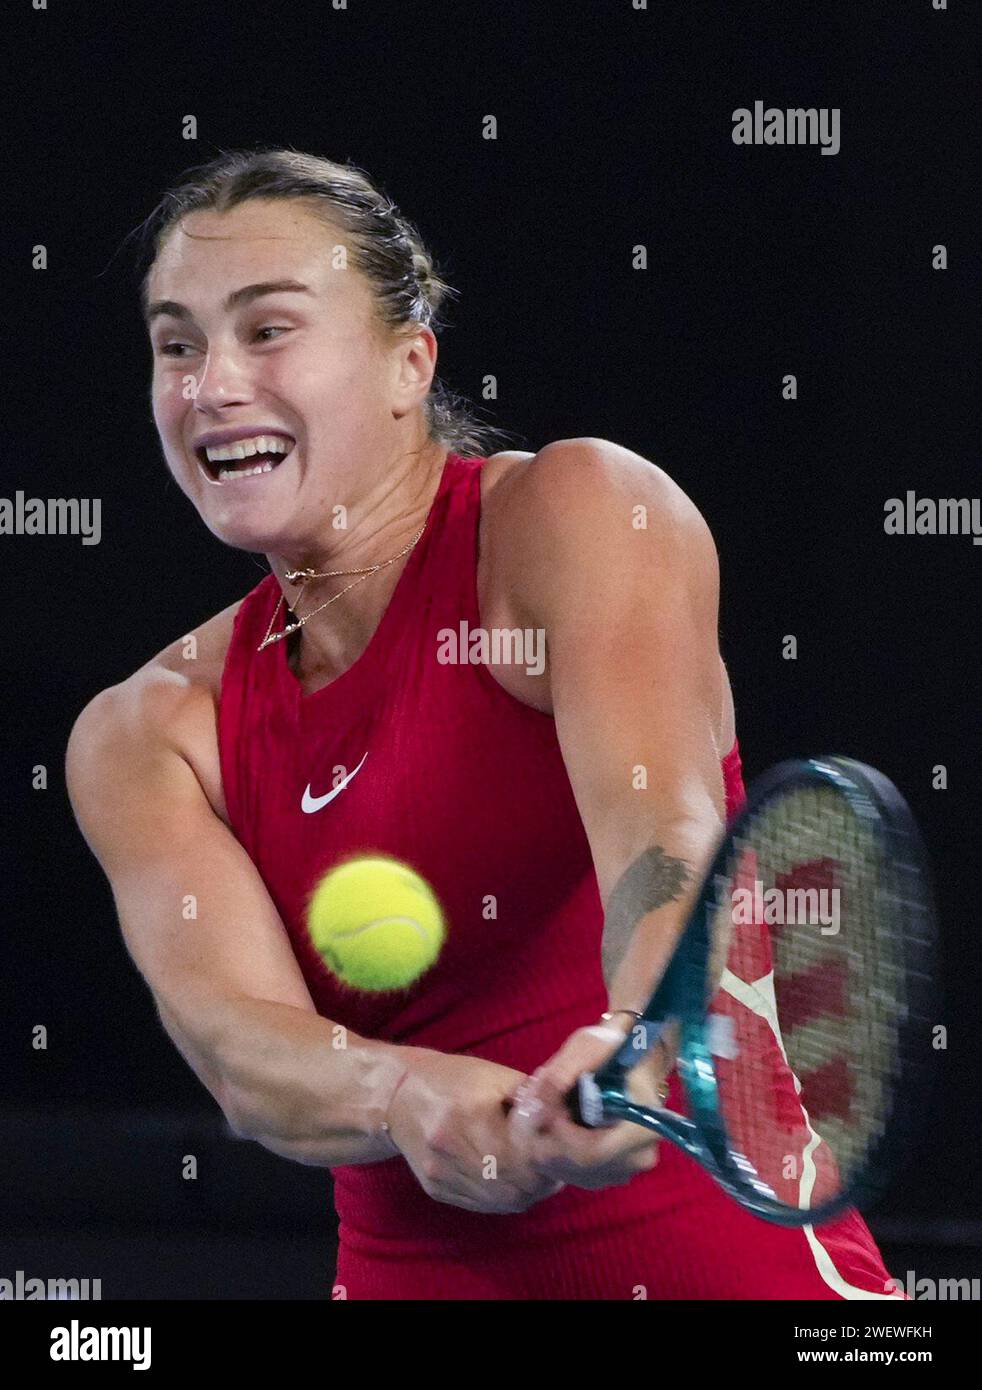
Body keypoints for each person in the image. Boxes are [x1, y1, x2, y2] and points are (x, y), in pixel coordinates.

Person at [67, 148, 900, 1299]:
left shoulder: (584, 514)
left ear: (409, 362)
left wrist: (642, 1030)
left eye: (267, 331)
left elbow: (665, 837)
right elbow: (237, 1047)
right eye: (176, 344)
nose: (210, 384)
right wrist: (400, 1092)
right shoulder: (146, 731)